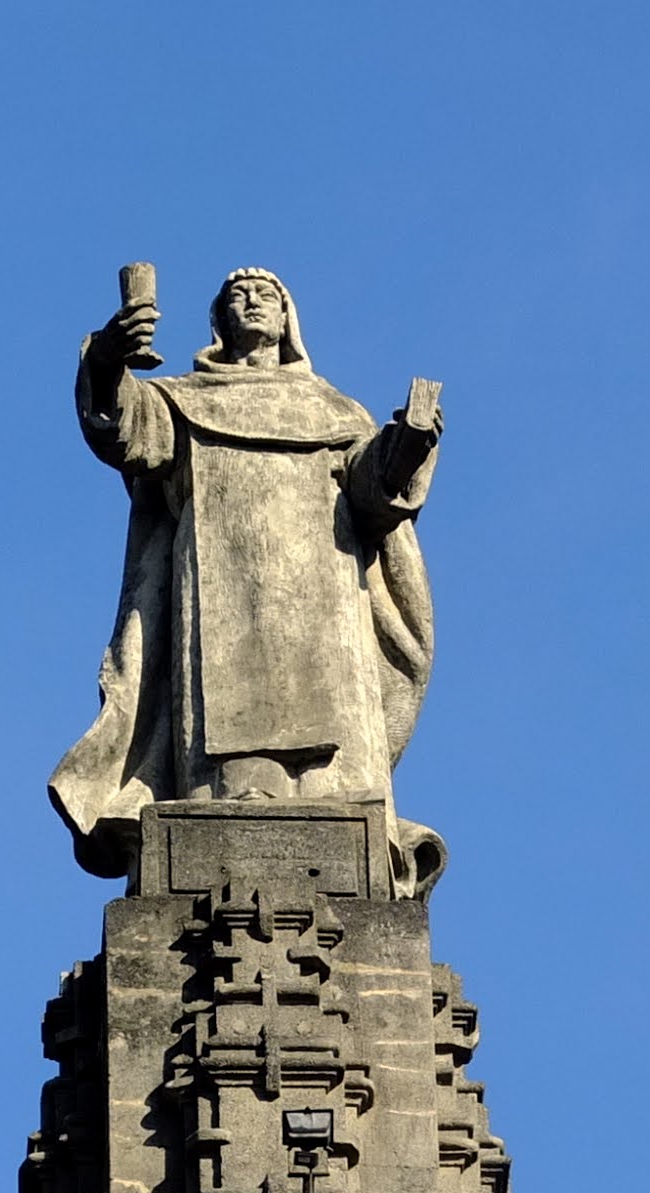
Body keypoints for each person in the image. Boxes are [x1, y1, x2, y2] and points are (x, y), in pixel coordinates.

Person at [51, 268, 446, 896]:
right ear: (218, 321)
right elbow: (123, 428)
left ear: (288, 319)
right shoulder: (184, 399)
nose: (254, 301)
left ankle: (339, 823)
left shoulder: (335, 409)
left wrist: (409, 445)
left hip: (324, 597)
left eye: (268, 294)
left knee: (334, 747)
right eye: (239, 295)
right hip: (221, 588)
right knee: (228, 742)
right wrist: (106, 358)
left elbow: (373, 494)